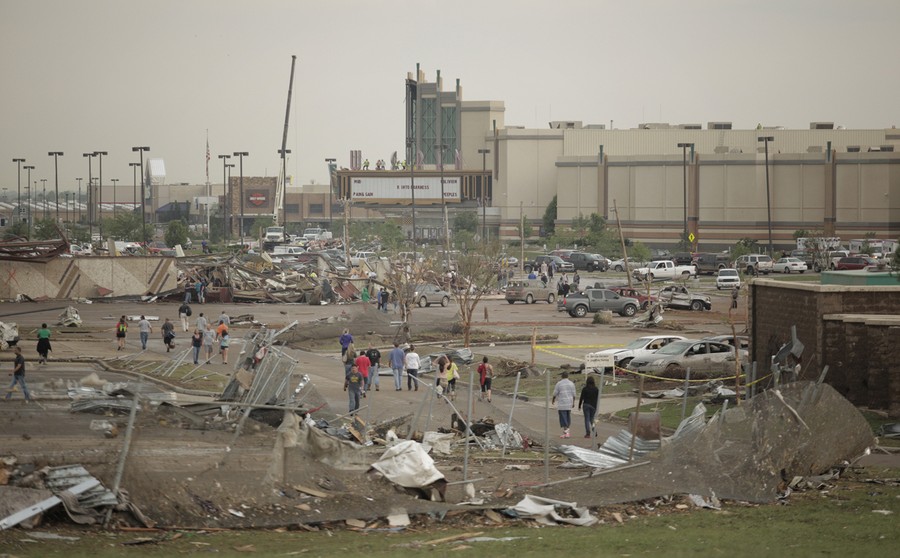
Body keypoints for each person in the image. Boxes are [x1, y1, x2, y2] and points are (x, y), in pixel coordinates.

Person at [552, 371, 577, 438]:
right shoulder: (571, 384)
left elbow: (555, 393)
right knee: (568, 417)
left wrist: (553, 399)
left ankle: (566, 431)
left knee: (563, 418)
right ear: (567, 376)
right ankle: (566, 431)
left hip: (562, 404)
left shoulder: (559, 384)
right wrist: (573, 402)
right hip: (569, 403)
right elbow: (574, 394)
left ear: (562, 376)